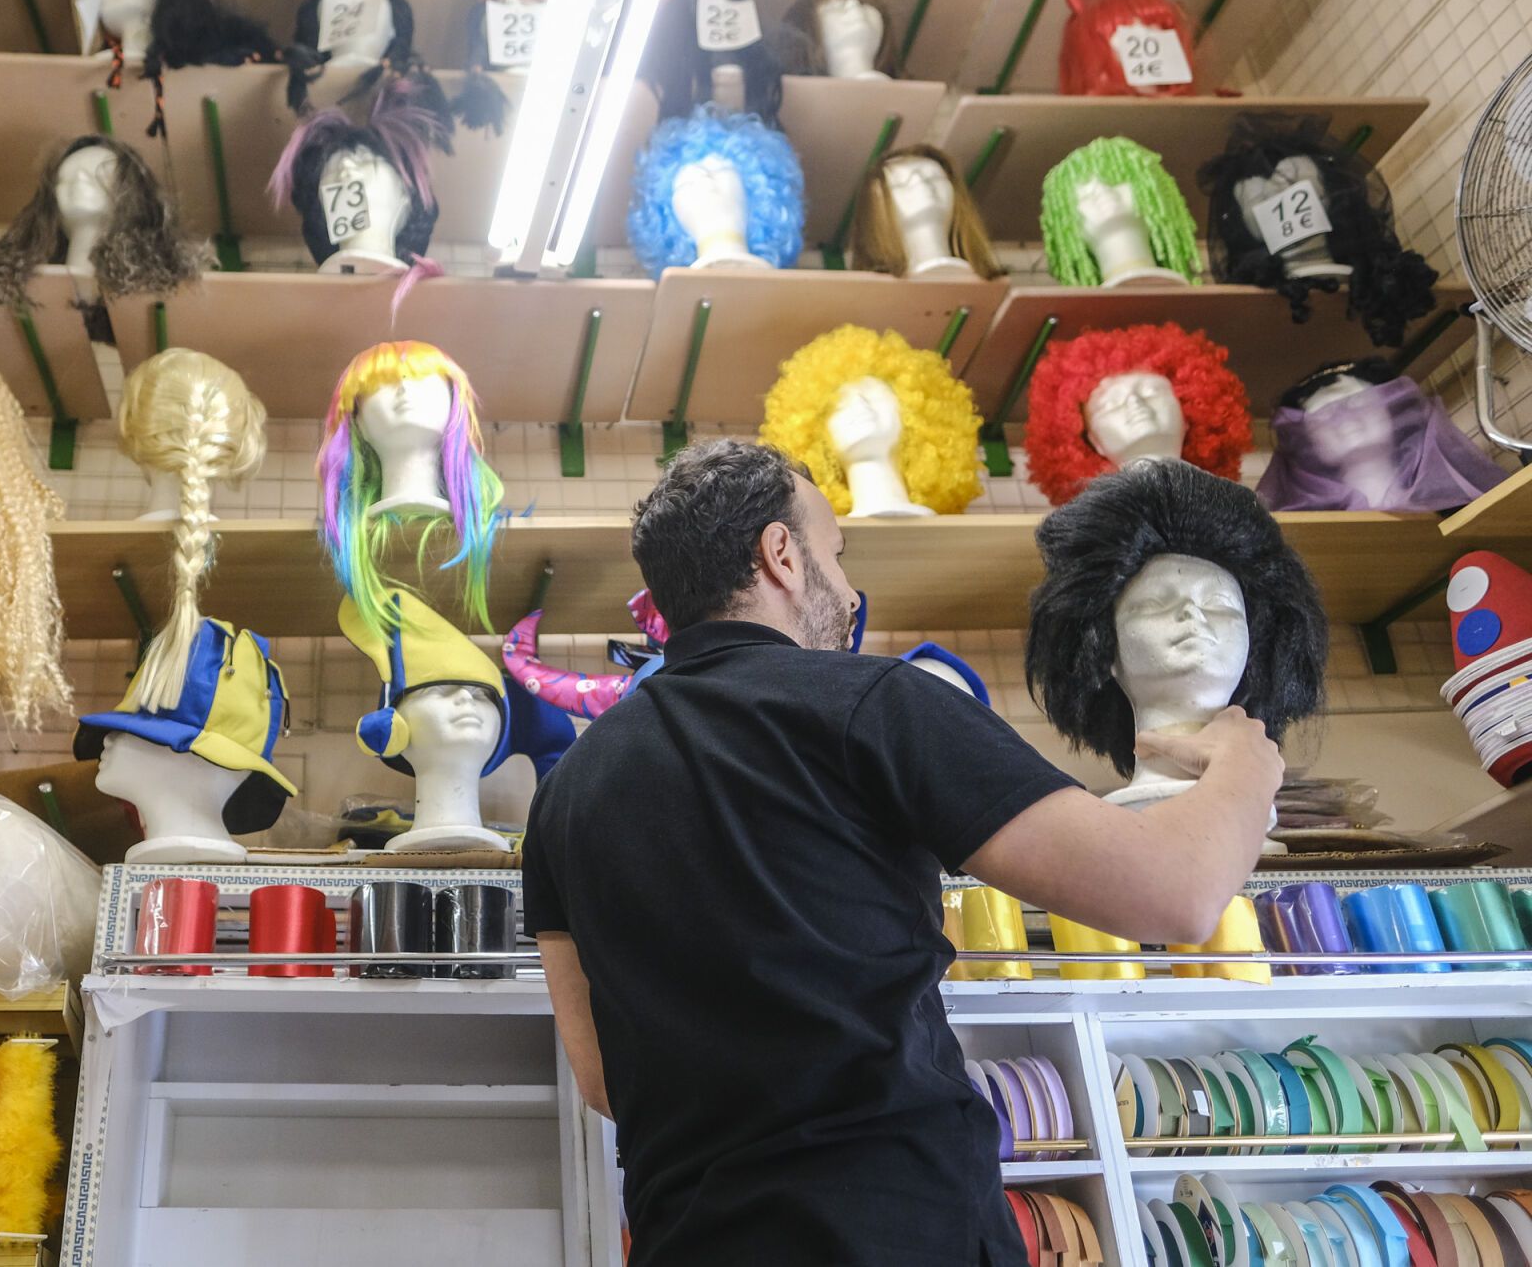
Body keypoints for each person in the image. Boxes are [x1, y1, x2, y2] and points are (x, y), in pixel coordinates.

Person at [521, 439, 1285, 1267]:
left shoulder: (566, 792)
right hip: (896, 1224)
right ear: (781, 556)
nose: (847, 592)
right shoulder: (872, 704)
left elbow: (601, 1081)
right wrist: (1246, 767)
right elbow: (1174, 891)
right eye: (836, 554)